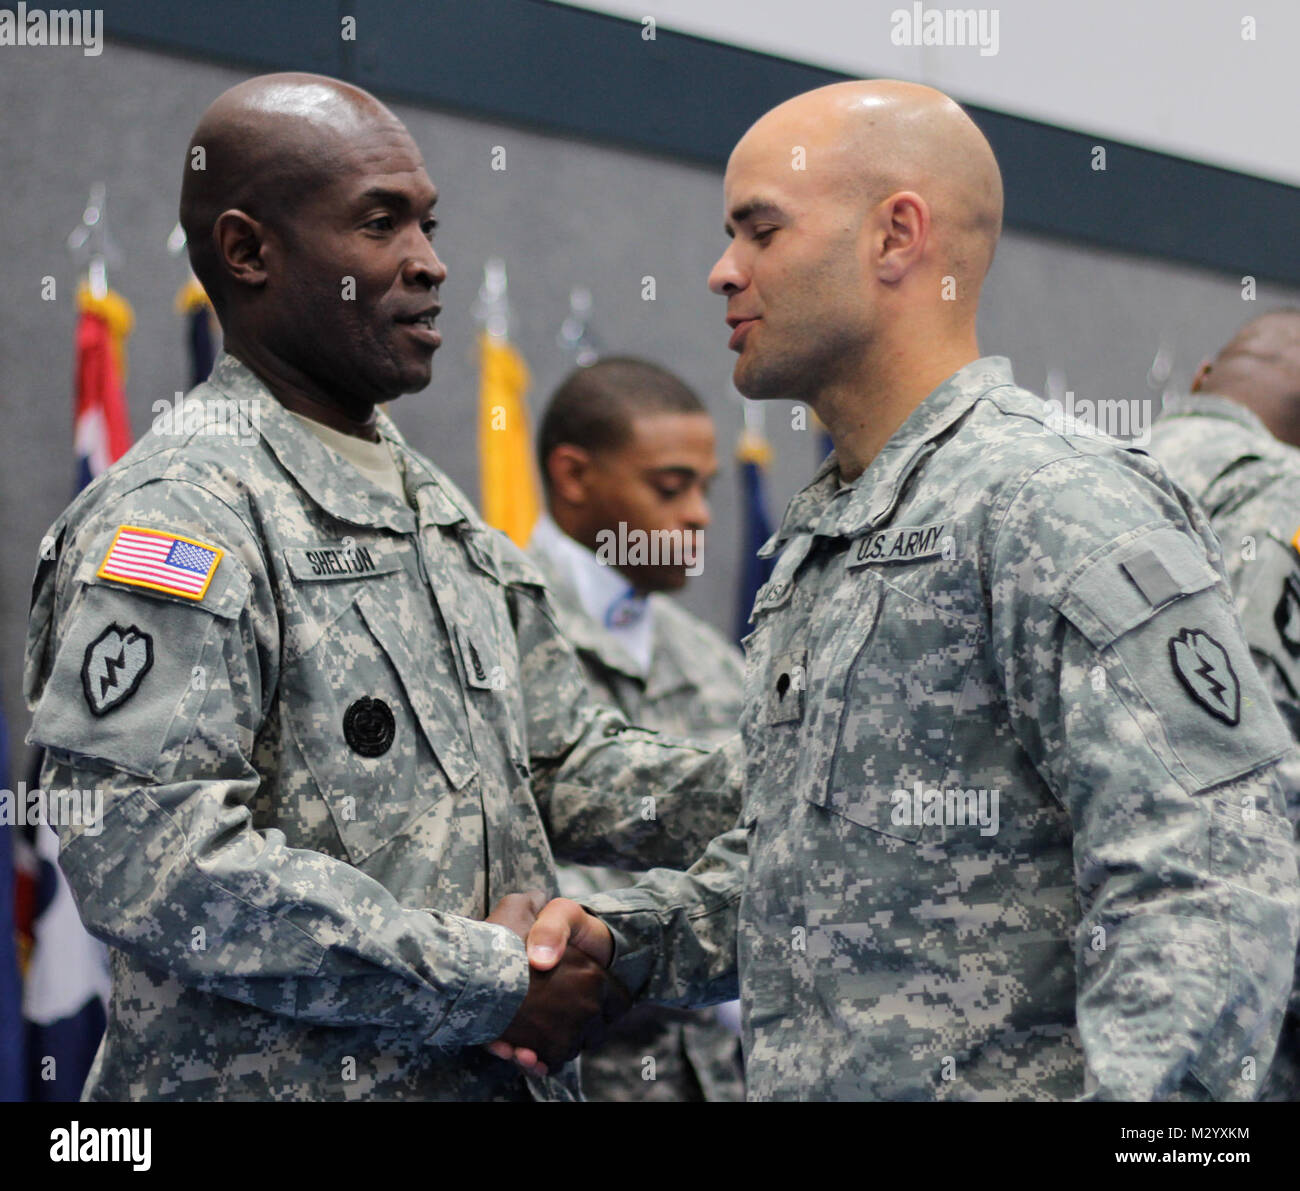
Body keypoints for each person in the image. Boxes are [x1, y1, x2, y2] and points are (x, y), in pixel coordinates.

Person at [509, 79, 1300, 1101]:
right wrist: (625, 945)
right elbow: (816, 868)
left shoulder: (1050, 501)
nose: (720, 272)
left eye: (759, 231)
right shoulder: (835, 527)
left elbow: (1213, 871)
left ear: (895, 238)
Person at [22, 72, 742, 1102]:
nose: (429, 262)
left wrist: (795, 780)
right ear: (248, 251)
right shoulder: (181, 516)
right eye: (380, 223)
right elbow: (152, 860)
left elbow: (571, 763)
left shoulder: (433, 510)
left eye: (428, 223)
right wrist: (489, 980)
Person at [528, 358, 745, 1100]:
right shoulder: (492, 632)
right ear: (574, 475)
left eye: (704, 488)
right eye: (669, 485)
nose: (699, 515)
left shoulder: (714, 661)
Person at [1147, 309, 1300, 1100]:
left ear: (1203, 376)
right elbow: (1256, 775)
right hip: (1226, 1039)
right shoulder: (1286, 499)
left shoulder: (1092, 474)